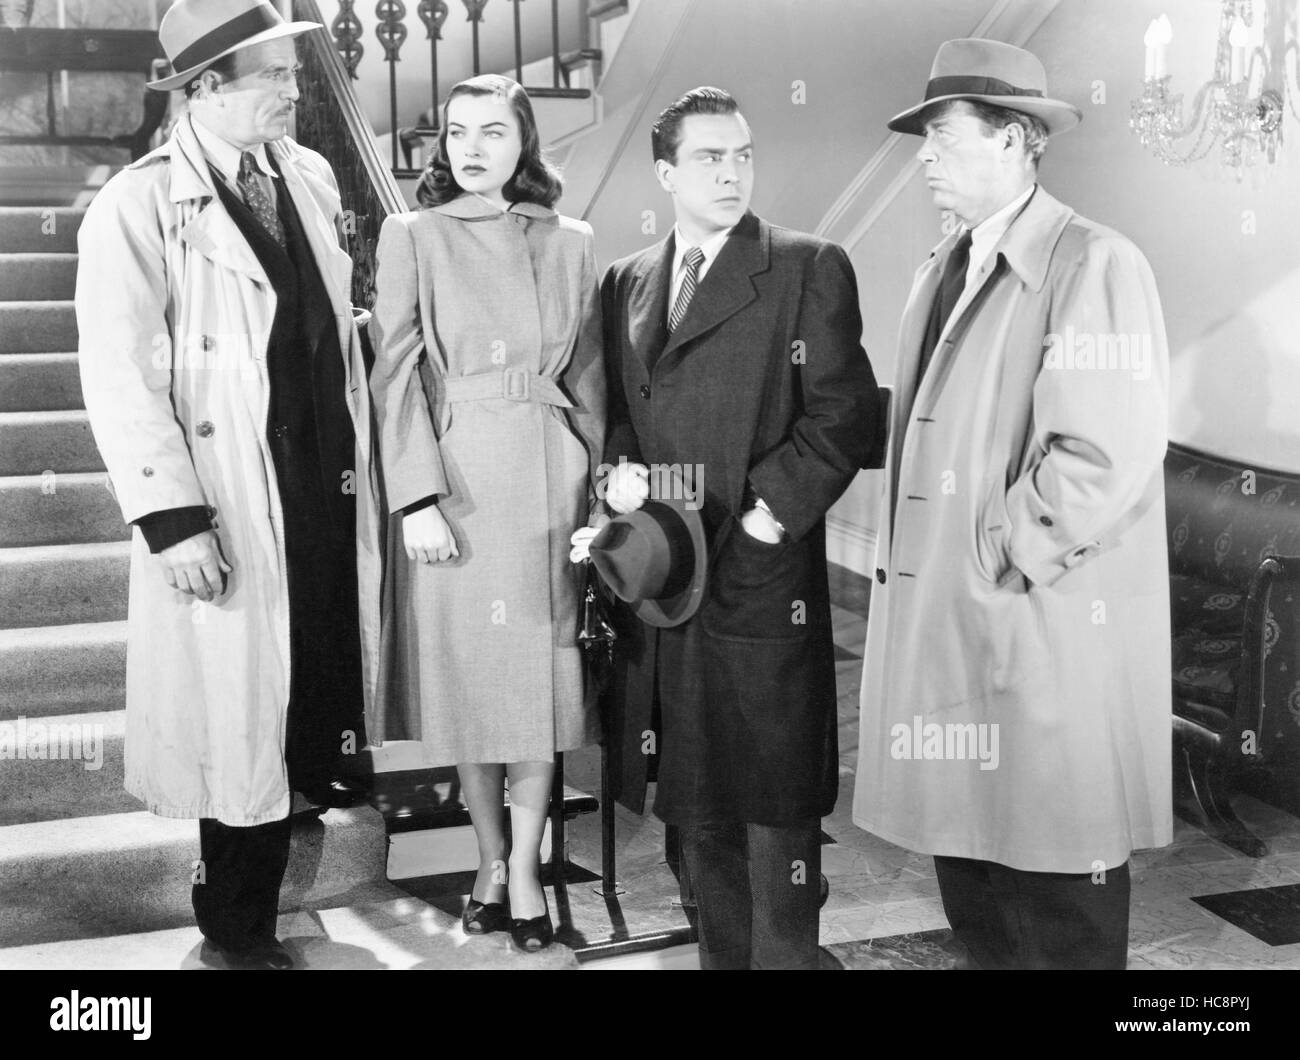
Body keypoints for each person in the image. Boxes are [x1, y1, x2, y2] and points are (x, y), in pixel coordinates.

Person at [74, 0, 382, 970]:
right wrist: (174, 522)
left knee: (304, 714)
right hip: (228, 495)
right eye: (274, 77)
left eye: (294, 73)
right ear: (205, 87)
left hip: (316, 492)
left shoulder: (313, 175)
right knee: (238, 725)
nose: (296, 91)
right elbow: (120, 374)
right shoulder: (138, 204)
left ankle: (269, 911)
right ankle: (233, 935)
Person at [852, 38, 1172, 969]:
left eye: (943, 137)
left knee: (1056, 890)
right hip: (956, 630)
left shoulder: (1094, 263)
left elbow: (1099, 455)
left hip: (1038, 630)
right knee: (979, 894)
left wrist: (995, 553)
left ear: (1019, 140)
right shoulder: (944, 262)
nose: (923, 157)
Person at [592, 86, 878, 969]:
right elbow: (621, 420)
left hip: (761, 581)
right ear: (667, 172)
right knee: (695, 796)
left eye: (742, 155)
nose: (731, 171)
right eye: (711, 157)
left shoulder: (806, 264)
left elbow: (844, 419)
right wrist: (620, 477)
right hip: (669, 584)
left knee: (773, 798)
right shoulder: (627, 279)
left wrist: (763, 522)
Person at [368, 74, 605, 952]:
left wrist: (601, 494)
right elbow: (394, 376)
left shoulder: (570, 239)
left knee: (540, 689)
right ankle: (490, 861)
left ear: (523, 144)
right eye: (458, 133)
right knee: (475, 690)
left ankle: (532, 864)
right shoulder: (413, 235)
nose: (472, 148)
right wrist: (416, 497)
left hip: (550, 482)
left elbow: (590, 382)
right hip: (460, 481)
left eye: (493, 132)